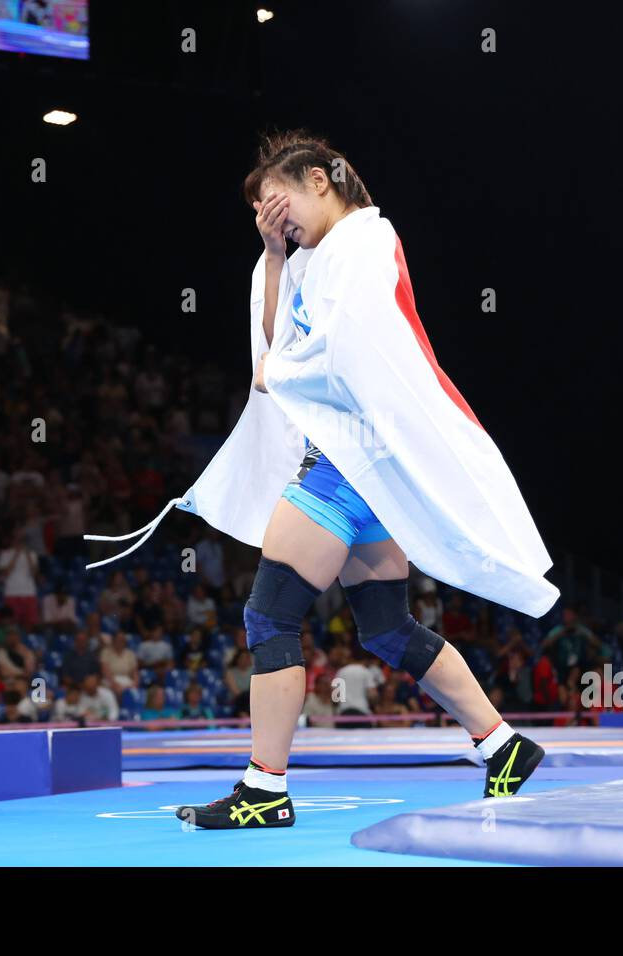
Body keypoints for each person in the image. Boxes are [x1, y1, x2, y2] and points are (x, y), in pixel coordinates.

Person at [160, 133, 555, 828]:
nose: (268, 218)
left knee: (271, 615)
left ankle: (264, 792)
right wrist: (276, 258)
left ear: (319, 179)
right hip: (375, 471)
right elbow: (274, 355)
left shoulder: (365, 243)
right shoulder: (311, 259)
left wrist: (284, 367)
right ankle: (502, 745)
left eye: (275, 201)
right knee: (385, 627)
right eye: (255, 212)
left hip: (349, 462)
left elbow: (339, 353)